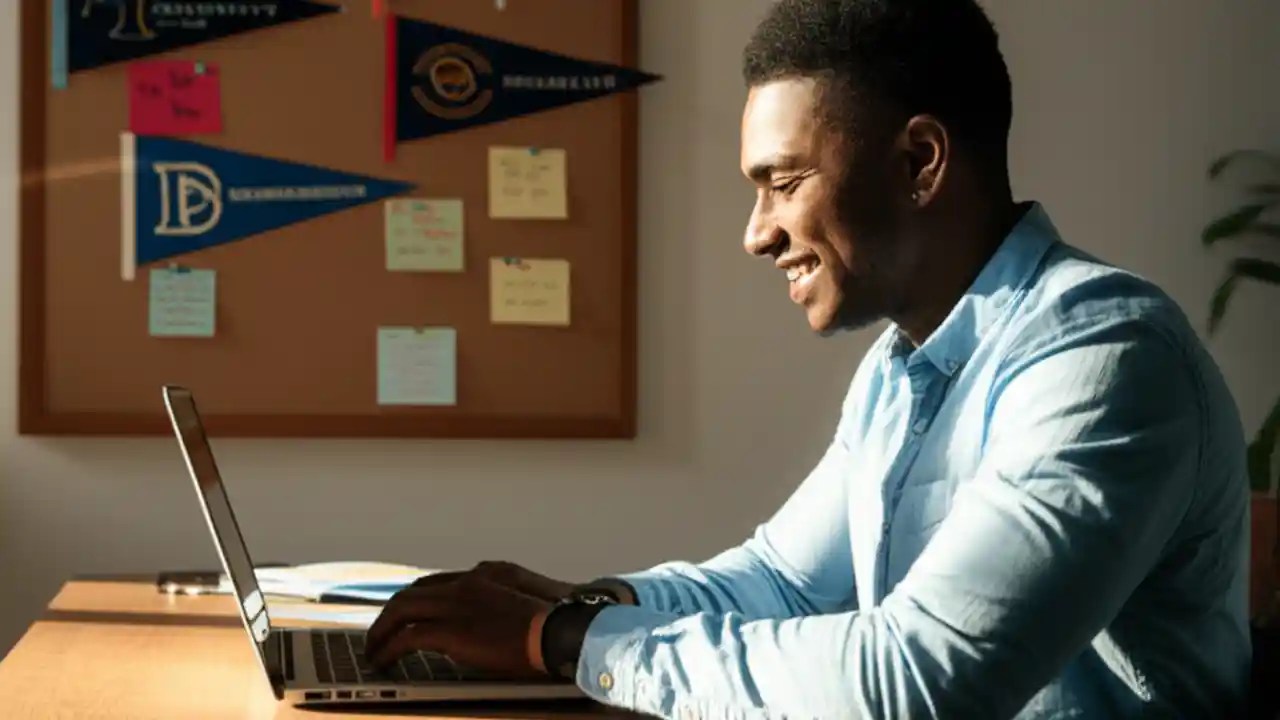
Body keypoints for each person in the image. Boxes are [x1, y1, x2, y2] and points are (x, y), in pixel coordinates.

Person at [364, 0, 1253, 717]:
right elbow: (784, 582)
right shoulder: (900, 369)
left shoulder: (1103, 360)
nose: (757, 235)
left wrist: (559, 640)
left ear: (920, 160)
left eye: (783, 183)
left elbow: (914, 682)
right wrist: (586, 605)